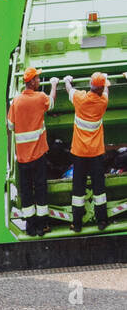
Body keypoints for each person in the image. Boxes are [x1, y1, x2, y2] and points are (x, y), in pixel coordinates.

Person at [61, 71, 125, 232]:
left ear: (91, 85)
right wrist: (106, 78)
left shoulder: (80, 99)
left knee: (78, 189)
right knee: (99, 189)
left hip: (80, 153)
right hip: (96, 154)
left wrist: (67, 80)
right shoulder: (102, 101)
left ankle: (76, 223)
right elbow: (106, 91)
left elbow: (69, 89)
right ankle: (102, 221)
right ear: (101, 87)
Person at [7, 67, 57, 236]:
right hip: (38, 154)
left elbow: (11, 126)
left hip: (22, 158)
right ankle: (43, 226)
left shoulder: (16, 101)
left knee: (27, 191)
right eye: (37, 78)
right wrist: (54, 85)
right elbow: (51, 103)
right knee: (41, 188)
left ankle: (30, 227)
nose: (39, 80)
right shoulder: (40, 97)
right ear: (32, 82)